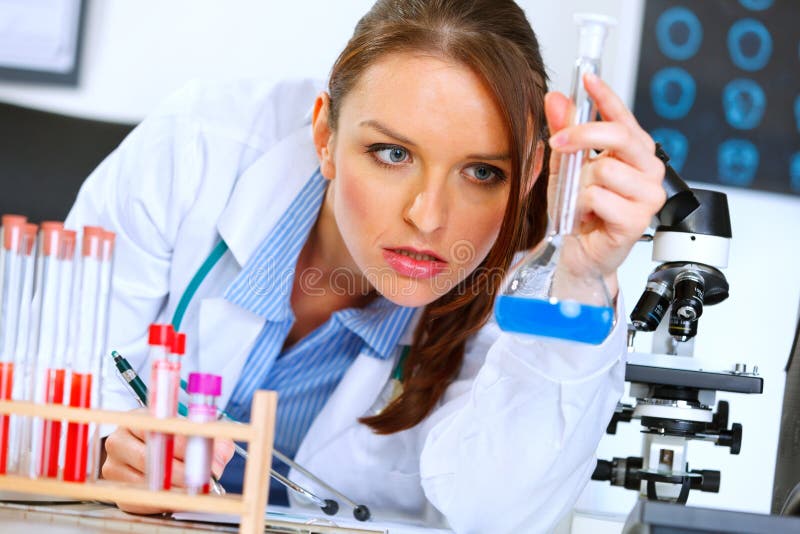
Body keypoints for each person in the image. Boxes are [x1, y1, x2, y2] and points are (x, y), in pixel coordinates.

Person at [66, 0, 665, 531]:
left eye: (483, 172)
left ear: (531, 174)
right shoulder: (196, 149)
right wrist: (107, 447)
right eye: (392, 153)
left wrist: (583, 281)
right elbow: (56, 367)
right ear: (325, 134)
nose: (428, 218)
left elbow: (497, 513)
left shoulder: (527, 284)